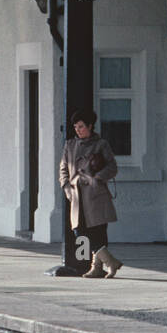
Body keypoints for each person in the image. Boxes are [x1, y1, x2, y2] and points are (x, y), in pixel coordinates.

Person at [58, 107, 122, 278]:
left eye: (81, 126)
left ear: (90, 126)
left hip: (96, 196)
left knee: (98, 232)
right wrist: (65, 186)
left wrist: (98, 178)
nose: (77, 130)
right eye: (76, 127)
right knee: (80, 232)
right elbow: (63, 168)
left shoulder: (101, 144)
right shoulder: (70, 145)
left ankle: (97, 267)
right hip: (77, 197)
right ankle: (111, 262)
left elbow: (112, 167)